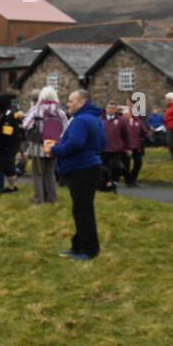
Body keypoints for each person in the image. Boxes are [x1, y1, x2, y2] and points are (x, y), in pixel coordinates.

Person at [51, 89, 106, 260]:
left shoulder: (81, 120)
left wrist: (54, 149)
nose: (68, 104)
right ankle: (79, 245)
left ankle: (88, 250)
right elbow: (103, 142)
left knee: (83, 211)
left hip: (82, 169)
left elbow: (75, 143)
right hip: (89, 166)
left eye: (71, 101)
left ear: (81, 102)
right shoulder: (95, 119)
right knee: (81, 209)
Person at [21, 86, 68, 204]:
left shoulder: (36, 110)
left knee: (37, 173)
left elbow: (25, 125)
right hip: (53, 146)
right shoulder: (60, 111)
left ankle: (39, 199)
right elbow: (66, 129)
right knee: (50, 172)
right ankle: (52, 198)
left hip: (37, 146)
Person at [0, 94, 23, 192]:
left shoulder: (9, 116)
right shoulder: (8, 113)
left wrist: (3, 144)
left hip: (8, 146)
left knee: (8, 166)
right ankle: (11, 186)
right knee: (7, 165)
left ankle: (12, 187)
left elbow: (7, 133)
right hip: (8, 145)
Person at [101, 102, 130, 191]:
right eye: (109, 108)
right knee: (104, 167)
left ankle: (115, 182)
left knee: (117, 166)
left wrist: (127, 147)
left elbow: (126, 135)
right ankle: (106, 184)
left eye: (113, 108)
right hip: (103, 149)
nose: (111, 110)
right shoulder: (101, 120)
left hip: (116, 149)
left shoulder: (121, 121)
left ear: (116, 110)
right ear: (106, 109)